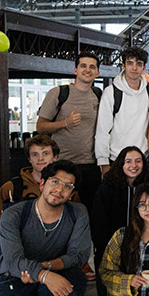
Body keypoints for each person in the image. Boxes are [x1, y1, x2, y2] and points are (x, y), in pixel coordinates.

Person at [0, 160, 92, 296]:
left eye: (67, 186)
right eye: (55, 181)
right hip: (13, 279)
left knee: (76, 278)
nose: (59, 189)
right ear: (42, 184)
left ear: (71, 194)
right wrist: (43, 275)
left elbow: (79, 255)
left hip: (47, 279)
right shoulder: (14, 214)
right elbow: (13, 260)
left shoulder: (77, 213)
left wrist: (45, 271)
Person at [0, 135, 80, 261]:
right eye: (35, 154)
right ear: (29, 159)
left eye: (45, 153)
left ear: (55, 157)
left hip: (57, 259)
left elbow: (76, 225)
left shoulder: (67, 190)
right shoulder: (11, 188)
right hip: (18, 259)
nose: (40, 158)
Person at [35, 53, 103, 204]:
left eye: (92, 67)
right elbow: (40, 127)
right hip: (63, 164)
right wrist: (65, 123)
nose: (87, 70)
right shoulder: (59, 93)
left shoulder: (98, 95)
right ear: (75, 70)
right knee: (59, 207)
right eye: (83, 66)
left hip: (91, 165)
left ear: (97, 73)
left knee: (89, 211)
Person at [94, 48, 149, 176]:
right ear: (123, 66)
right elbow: (102, 130)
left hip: (143, 159)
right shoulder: (111, 92)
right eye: (130, 63)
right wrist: (103, 162)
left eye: (139, 64)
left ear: (144, 68)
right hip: (117, 159)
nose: (134, 68)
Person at [91, 146, 149, 258]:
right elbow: (98, 223)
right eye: (128, 161)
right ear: (121, 164)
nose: (134, 166)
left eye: (138, 161)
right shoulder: (106, 188)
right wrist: (108, 249)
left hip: (142, 249)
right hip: (110, 249)